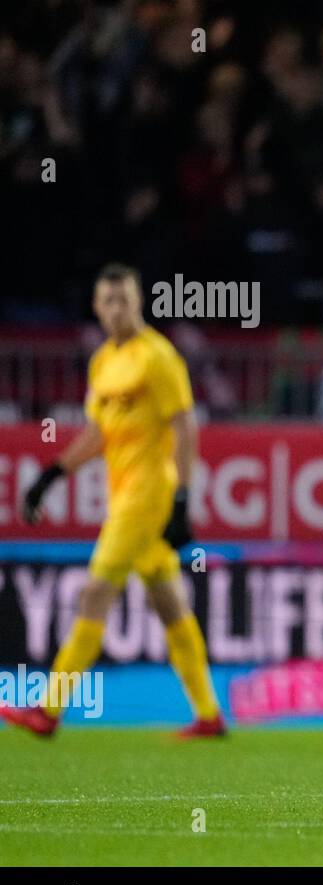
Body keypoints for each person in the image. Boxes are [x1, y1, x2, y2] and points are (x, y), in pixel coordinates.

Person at [1, 264, 226, 738]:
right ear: (97, 308)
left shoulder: (159, 358)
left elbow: (186, 427)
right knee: (169, 604)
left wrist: (184, 497)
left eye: (124, 299)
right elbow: (99, 434)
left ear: (139, 301)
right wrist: (52, 474)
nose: (116, 309)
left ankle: (48, 710)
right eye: (108, 301)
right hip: (124, 496)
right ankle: (209, 714)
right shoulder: (103, 361)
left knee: (94, 594)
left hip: (146, 499)